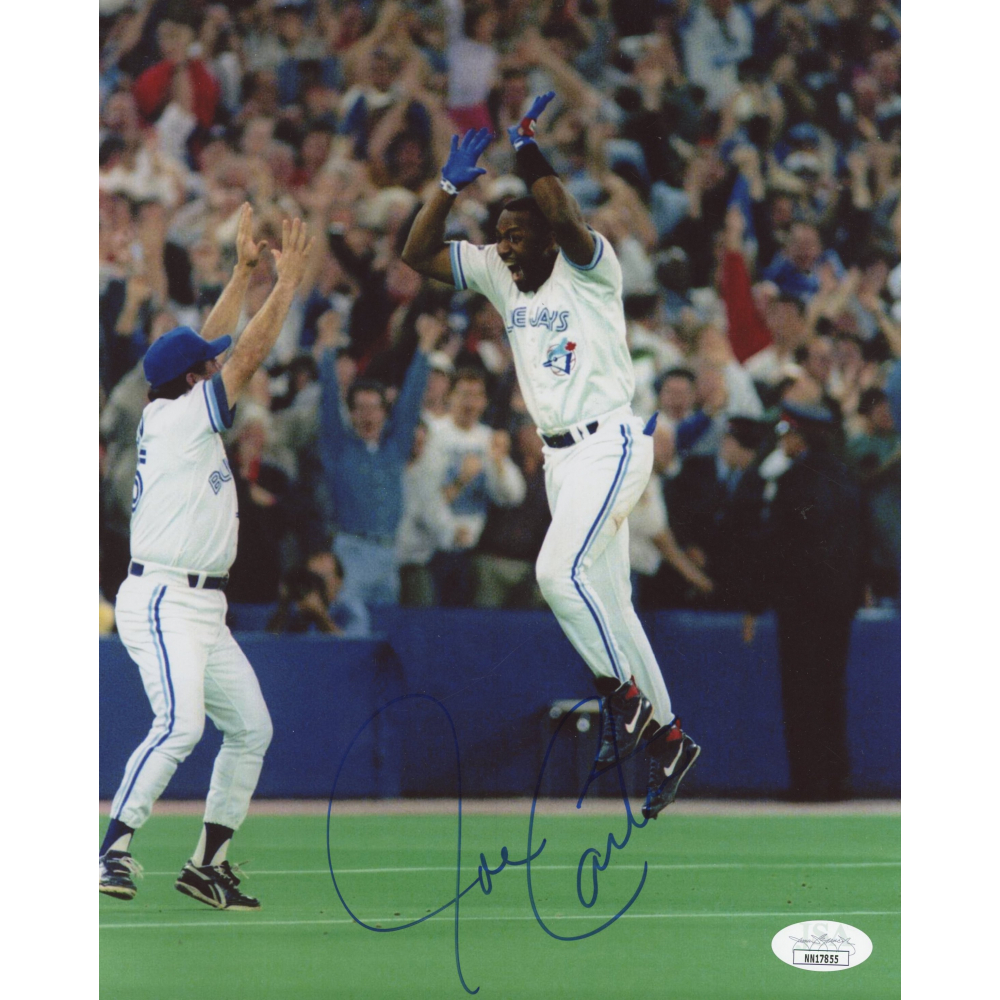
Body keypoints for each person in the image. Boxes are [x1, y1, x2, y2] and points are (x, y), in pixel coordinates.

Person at [401, 99, 700, 820]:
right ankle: (670, 739)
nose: (504, 246)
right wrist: (444, 191)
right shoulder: (502, 278)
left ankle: (623, 701)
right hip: (563, 461)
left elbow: (564, 213)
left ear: (546, 236)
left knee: (554, 572)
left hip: (610, 441)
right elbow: (415, 255)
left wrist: (528, 152)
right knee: (613, 607)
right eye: (499, 235)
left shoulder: (589, 268)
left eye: (516, 233)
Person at [99, 205, 315, 909]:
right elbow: (244, 355)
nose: (215, 368)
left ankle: (206, 863)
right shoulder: (186, 415)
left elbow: (211, 347)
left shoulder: (174, 405)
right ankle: (109, 852)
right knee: (179, 725)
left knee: (251, 727)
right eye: (205, 368)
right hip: (162, 595)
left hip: (199, 603)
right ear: (192, 380)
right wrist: (286, 285)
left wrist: (243, 274)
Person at [761, 400, 863, 801]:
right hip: (839, 606)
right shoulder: (846, 478)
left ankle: (809, 782)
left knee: (802, 693)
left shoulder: (794, 483)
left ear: (800, 436)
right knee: (832, 690)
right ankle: (837, 779)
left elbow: (779, 549)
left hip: (802, 607)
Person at [317, 319, 440, 607]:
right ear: (351, 413)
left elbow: (409, 403)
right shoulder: (339, 447)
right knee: (352, 625)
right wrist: (327, 351)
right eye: (360, 408)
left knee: (384, 630)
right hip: (351, 550)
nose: (367, 415)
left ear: (385, 412)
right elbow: (327, 402)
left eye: (374, 408)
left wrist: (424, 350)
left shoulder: (394, 448)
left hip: (388, 552)